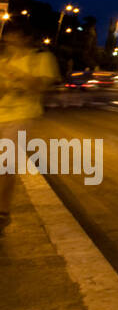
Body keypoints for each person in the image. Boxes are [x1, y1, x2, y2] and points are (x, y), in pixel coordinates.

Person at [0, 41, 61, 235]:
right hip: (2, 113)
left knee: (5, 166)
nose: (11, 41)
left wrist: (14, 74)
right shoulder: (3, 59)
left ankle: (2, 211)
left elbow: (40, 86)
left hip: (21, 115)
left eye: (14, 37)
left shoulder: (41, 58)